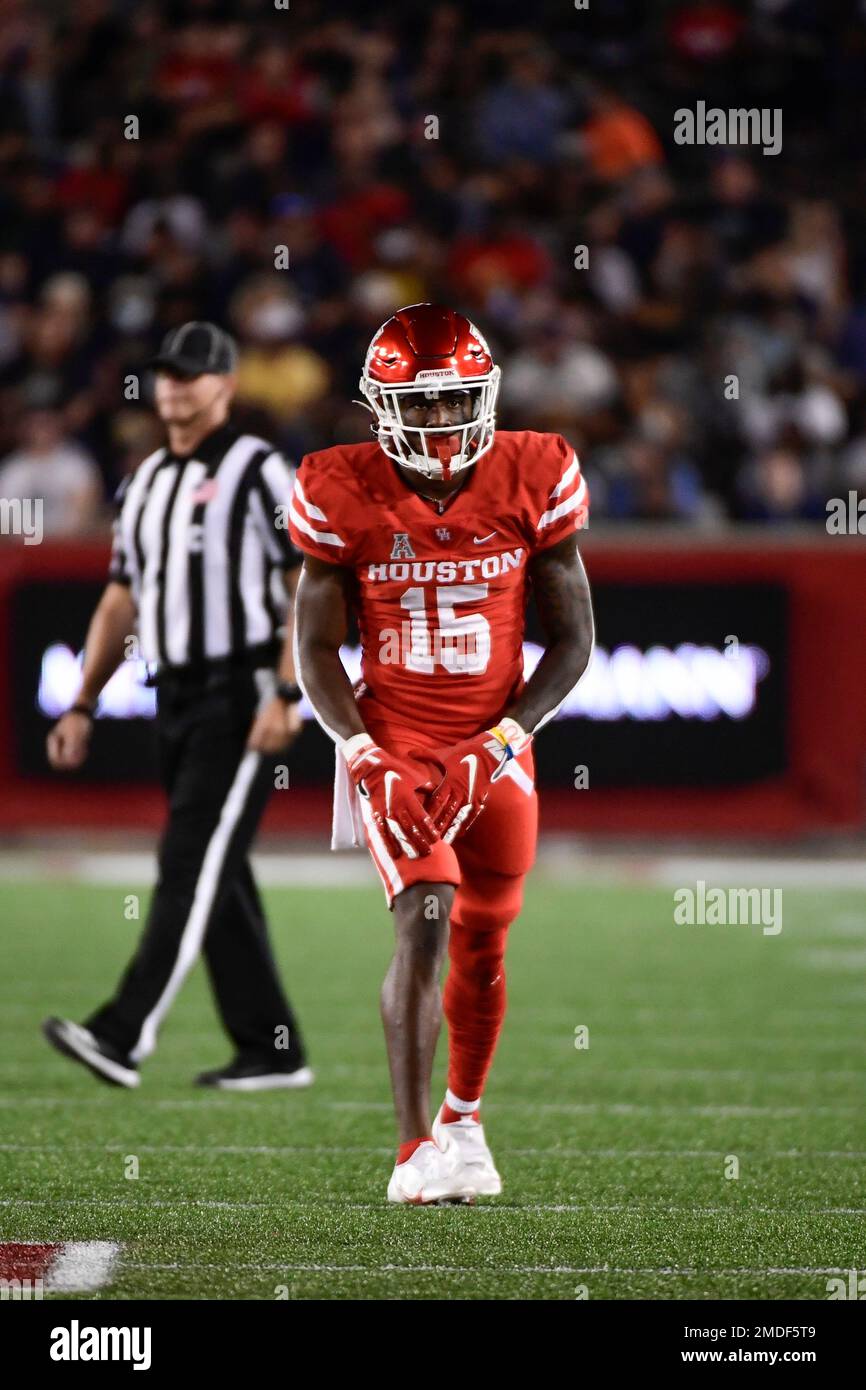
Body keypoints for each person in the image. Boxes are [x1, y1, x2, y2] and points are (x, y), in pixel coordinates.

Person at [290, 303, 594, 1201]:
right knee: (426, 912)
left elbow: (573, 642)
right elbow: (313, 648)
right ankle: (412, 1148)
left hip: (495, 746)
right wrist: (358, 749)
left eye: (454, 400)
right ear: (380, 407)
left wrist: (502, 740)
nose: (437, 421)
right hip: (397, 744)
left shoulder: (534, 472)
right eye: (417, 407)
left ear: (486, 395)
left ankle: (464, 1121)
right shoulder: (339, 485)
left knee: (486, 942)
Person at [43, 321, 312, 1093]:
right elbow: (119, 600)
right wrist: (82, 702)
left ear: (226, 385)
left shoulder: (259, 469)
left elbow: (310, 584)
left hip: (243, 690)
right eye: (166, 373)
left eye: (192, 374)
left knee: (187, 862)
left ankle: (121, 1033)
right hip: (174, 694)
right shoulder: (142, 481)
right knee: (216, 872)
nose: (174, 386)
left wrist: (289, 690)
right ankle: (273, 1048)